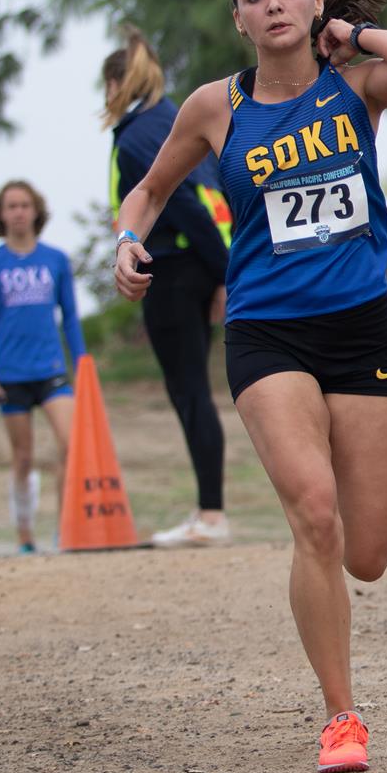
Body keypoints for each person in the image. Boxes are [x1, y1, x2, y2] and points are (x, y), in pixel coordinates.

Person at [112, 0, 387, 773]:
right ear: (238, 17)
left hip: (361, 328)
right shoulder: (214, 108)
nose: (273, 4)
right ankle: (341, 715)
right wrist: (126, 241)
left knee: (367, 550)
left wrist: (351, 35)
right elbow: (150, 188)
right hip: (267, 329)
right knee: (314, 512)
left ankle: (341, 673)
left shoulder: (355, 86)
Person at [104, 28, 234, 547]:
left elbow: (181, 205)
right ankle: (210, 511)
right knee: (195, 388)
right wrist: (226, 269)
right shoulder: (176, 118)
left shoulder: (136, 135)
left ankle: (211, 515)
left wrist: (226, 275)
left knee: (190, 391)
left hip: (177, 271)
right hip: (205, 264)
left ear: (117, 82)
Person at [0, 180, 82, 554]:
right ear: (0, 215)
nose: (18, 211)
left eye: (24, 205)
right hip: (10, 376)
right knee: (23, 457)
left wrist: (82, 365)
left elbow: (70, 318)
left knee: (70, 444)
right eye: (11, 206)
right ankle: (24, 534)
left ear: (36, 211)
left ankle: (64, 529)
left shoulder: (56, 260)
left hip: (52, 371)